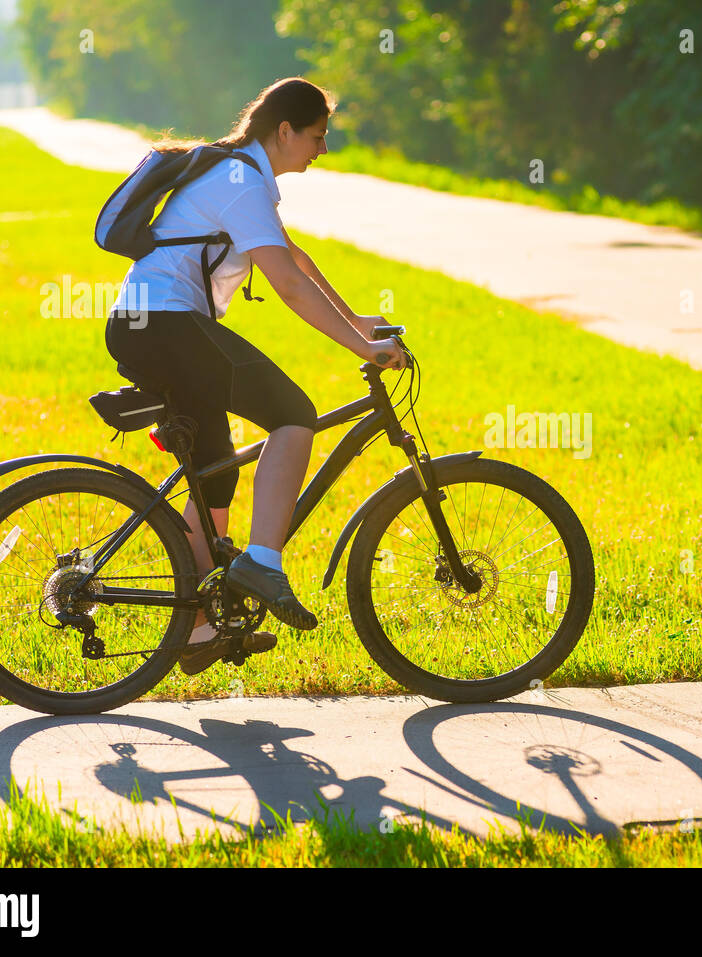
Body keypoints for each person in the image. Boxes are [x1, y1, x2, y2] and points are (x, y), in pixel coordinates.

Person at [103, 77, 407, 676]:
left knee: (213, 476)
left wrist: (356, 321)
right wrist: (362, 349)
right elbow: (288, 287)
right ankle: (264, 562)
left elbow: (294, 259)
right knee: (294, 415)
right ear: (285, 130)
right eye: (317, 137)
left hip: (152, 326)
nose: (323, 149)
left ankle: (194, 627)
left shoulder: (243, 176)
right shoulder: (240, 181)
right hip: (163, 326)